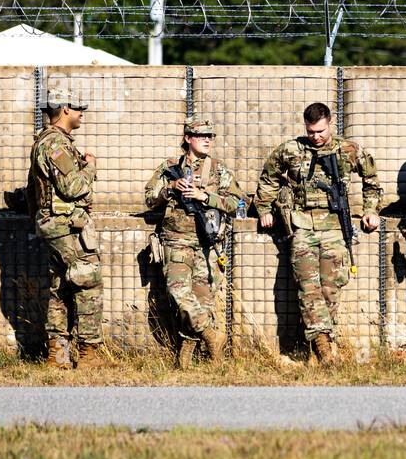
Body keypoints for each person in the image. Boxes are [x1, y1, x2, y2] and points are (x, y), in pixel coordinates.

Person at [254, 102, 382, 364]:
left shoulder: (349, 149)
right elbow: (268, 179)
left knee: (331, 289)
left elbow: (372, 180)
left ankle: (321, 347)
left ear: (331, 123)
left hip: (335, 228)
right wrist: (264, 208)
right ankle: (323, 347)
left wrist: (371, 210)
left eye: (321, 131)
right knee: (308, 288)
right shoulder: (291, 150)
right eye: (311, 131)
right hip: (302, 227)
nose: (317, 137)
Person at [145, 119, 245, 368]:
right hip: (176, 240)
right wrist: (170, 188)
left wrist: (205, 196)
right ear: (188, 137)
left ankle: (187, 360)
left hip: (207, 243)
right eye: (201, 135)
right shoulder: (170, 167)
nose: (207, 139)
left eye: (210, 135)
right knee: (178, 293)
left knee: (202, 302)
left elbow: (237, 203)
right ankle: (212, 336)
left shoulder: (218, 170)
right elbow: (149, 197)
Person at [27, 87, 106, 369]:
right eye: (78, 108)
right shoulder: (54, 145)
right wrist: (91, 167)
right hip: (65, 227)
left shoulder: (49, 142)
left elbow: (36, 192)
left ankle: (57, 356)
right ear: (65, 111)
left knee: (60, 287)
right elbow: (72, 186)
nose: (82, 113)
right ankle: (88, 355)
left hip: (58, 224)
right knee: (88, 281)